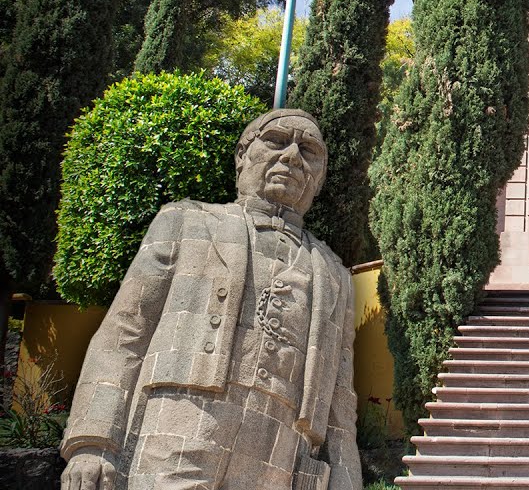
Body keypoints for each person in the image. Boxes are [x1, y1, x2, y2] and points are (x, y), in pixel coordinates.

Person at [60, 108, 361, 490]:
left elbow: (339, 398)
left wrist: (346, 481)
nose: (291, 157)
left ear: (318, 179)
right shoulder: (186, 222)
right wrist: (93, 442)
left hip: (281, 447)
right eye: (276, 141)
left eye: (308, 150)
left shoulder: (333, 274)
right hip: (174, 424)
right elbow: (124, 333)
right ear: (242, 155)